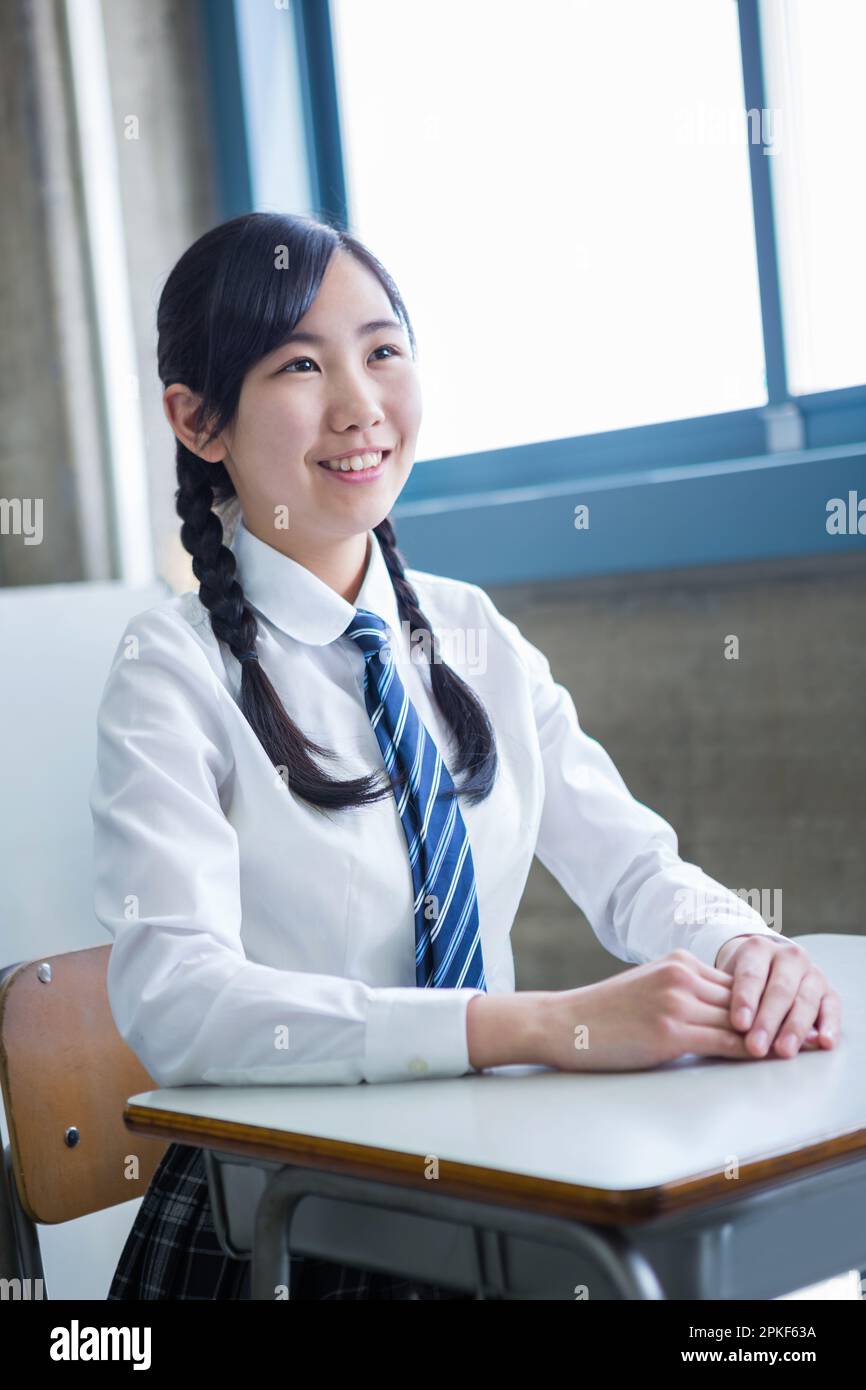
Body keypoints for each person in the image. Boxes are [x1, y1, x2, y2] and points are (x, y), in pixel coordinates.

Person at [90, 211, 841, 1301]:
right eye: (300, 364)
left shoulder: (470, 629)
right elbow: (178, 999)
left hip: (486, 1178)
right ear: (197, 419)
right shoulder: (171, 669)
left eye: (382, 350)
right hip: (284, 1221)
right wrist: (536, 1026)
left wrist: (738, 947)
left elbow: (632, 869)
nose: (359, 406)